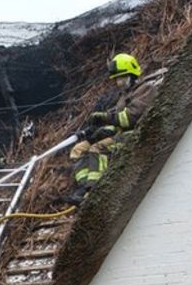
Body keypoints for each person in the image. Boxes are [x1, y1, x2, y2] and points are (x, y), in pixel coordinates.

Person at [67, 53, 166, 204]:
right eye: (117, 79)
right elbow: (114, 116)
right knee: (78, 149)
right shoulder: (123, 96)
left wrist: (105, 118)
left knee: (97, 149)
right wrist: (96, 130)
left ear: (132, 74)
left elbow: (130, 118)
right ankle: (82, 187)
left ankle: (93, 190)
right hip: (119, 134)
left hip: (136, 135)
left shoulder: (146, 89)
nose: (119, 83)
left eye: (122, 78)